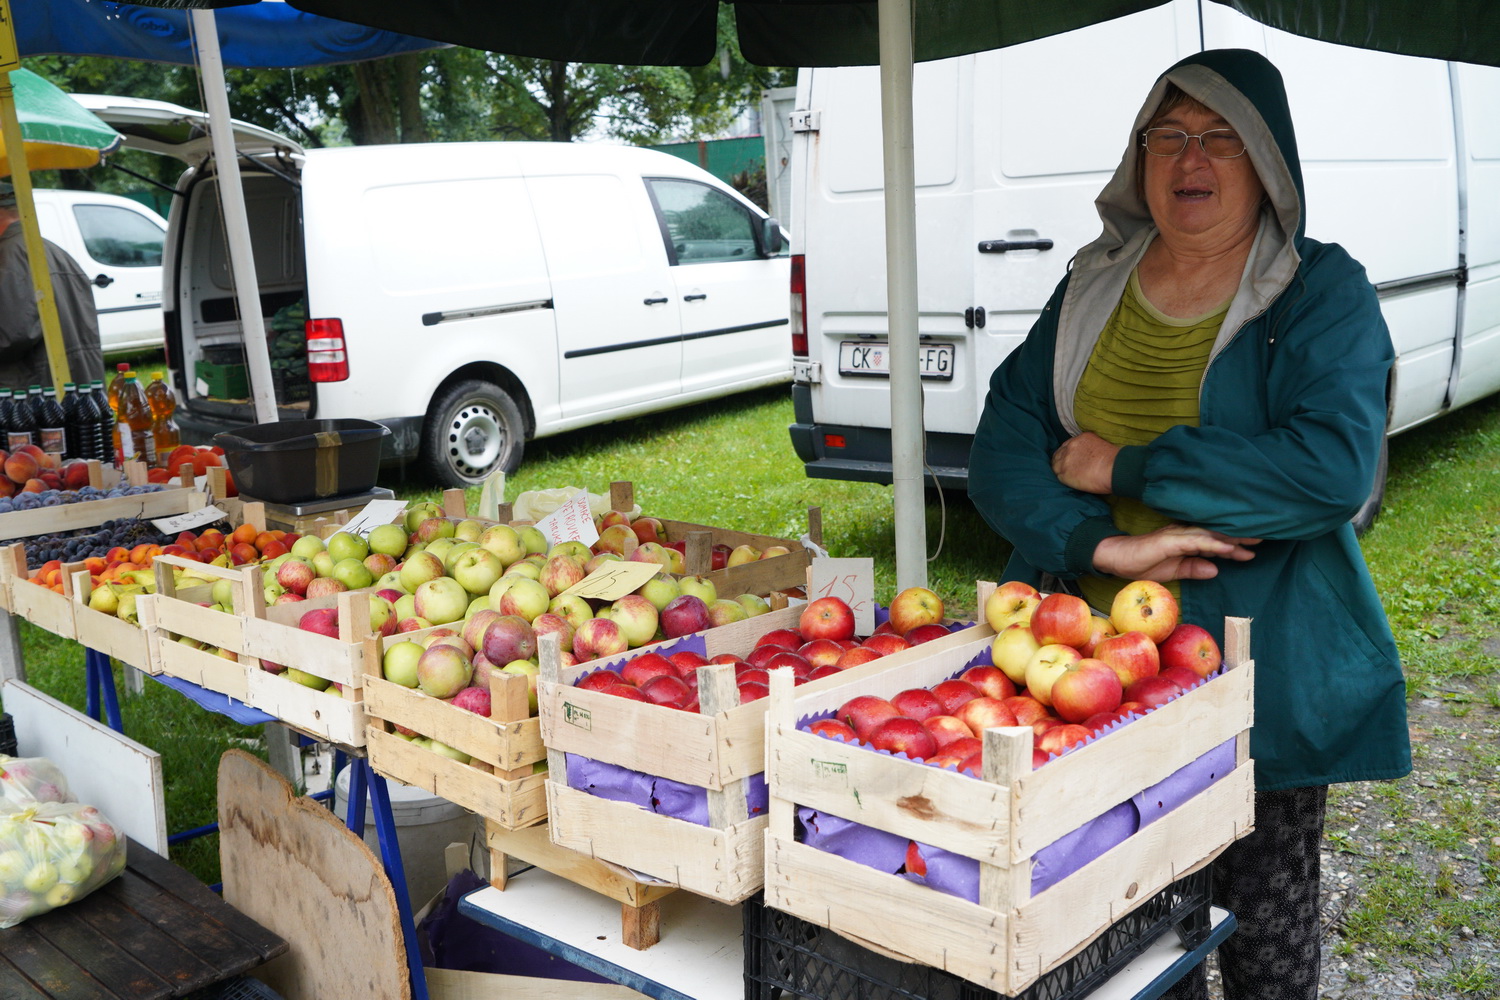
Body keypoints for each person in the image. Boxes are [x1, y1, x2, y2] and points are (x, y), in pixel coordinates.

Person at [967, 50, 1410, 1000]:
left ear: (1267, 164)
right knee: (1118, 936)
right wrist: (1097, 543)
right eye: (1166, 135)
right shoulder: (1094, 283)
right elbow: (1002, 445)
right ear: (1139, 160)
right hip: (1083, 671)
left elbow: (1329, 469)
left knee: (1263, 932)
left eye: (1220, 137)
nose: (1189, 157)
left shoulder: (1316, 292)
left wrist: (1128, 467)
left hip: (1253, 670)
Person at [0, 181, 105, 389]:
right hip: (74, 384)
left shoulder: (9, 256)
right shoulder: (54, 251)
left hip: (32, 393)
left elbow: (12, 335)